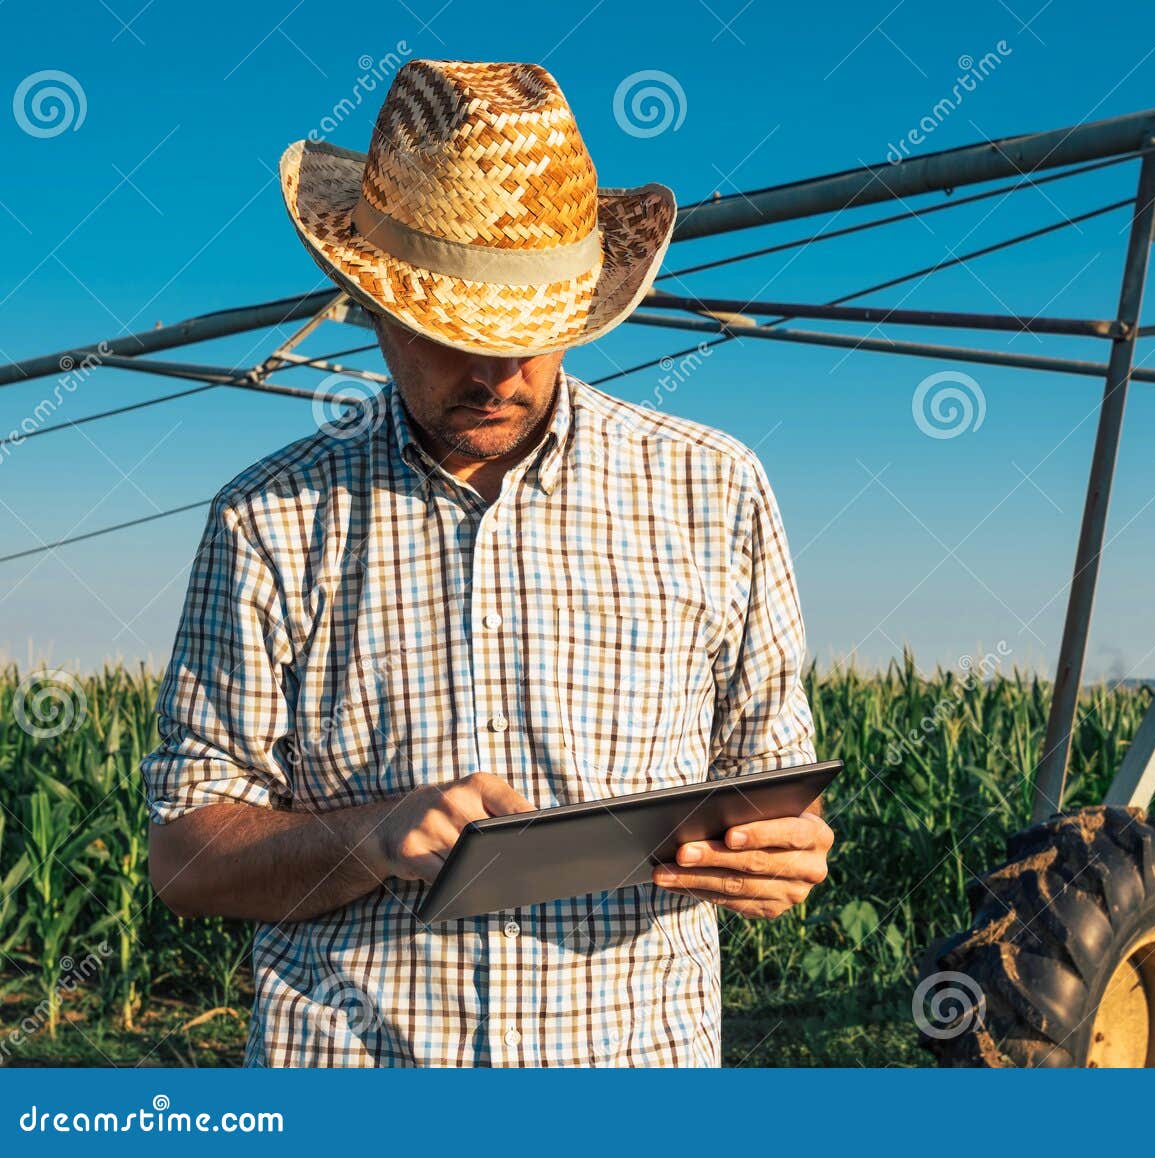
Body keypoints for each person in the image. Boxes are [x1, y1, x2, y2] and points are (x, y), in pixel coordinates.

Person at [140, 59, 832, 1067]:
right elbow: (186, 858)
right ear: (368, 305)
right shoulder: (270, 520)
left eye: (539, 331)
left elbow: (771, 788)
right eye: (452, 333)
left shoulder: (713, 489)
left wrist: (787, 856)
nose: (500, 373)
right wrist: (371, 839)